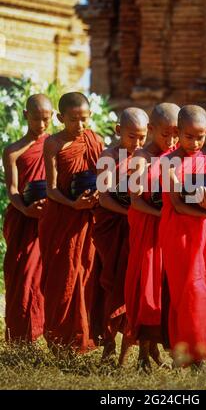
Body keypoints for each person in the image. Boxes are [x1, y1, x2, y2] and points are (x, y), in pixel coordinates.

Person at [159, 105, 206, 368]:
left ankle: (200, 351)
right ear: (177, 132)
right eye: (189, 136)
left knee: (205, 288)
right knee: (186, 289)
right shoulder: (168, 162)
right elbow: (178, 204)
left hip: (205, 234)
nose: (195, 142)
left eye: (200, 136)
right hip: (179, 232)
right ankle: (184, 351)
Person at [39, 92, 103, 352]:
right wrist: (73, 204)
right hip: (61, 218)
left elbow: (105, 179)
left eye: (84, 119)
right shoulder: (53, 143)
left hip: (89, 218)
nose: (80, 126)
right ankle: (58, 340)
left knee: (87, 275)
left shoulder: (95, 140)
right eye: (73, 119)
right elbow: (51, 189)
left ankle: (85, 338)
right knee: (61, 278)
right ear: (60, 117)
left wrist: (98, 195)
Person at [125, 102, 180, 372]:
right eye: (165, 134)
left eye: (175, 135)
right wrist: (163, 215)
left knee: (169, 292)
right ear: (151, 129)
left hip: (171, 235)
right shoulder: (140, 159)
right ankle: (143, 357)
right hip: (148, 231)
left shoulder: (177, 156)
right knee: (147, 291)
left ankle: (168, 350)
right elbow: (135, 201)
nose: (170, 140)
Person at [94, 107, 149, 365]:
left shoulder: (146, 158)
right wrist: (129, 212)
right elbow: (104, 199)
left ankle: (126, 355)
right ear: (118, 131)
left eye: (142, 137)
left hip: (138, 231)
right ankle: (108, 348)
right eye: (131, 137)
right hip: (113, 229)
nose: (137, 143)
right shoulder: (107, 157)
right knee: (112, 287)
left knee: (133, 290)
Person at [3, 94, 53, 342]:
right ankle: (22, 337)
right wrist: (25, 209)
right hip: (23, 218)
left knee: (48, 276)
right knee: (23, 276)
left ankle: (53, 334)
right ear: (25, 116)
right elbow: (12, 189)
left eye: (46, 119)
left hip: (52, 218)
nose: (41, 125)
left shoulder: (57, 145)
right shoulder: (12, 151)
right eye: (36, 119)